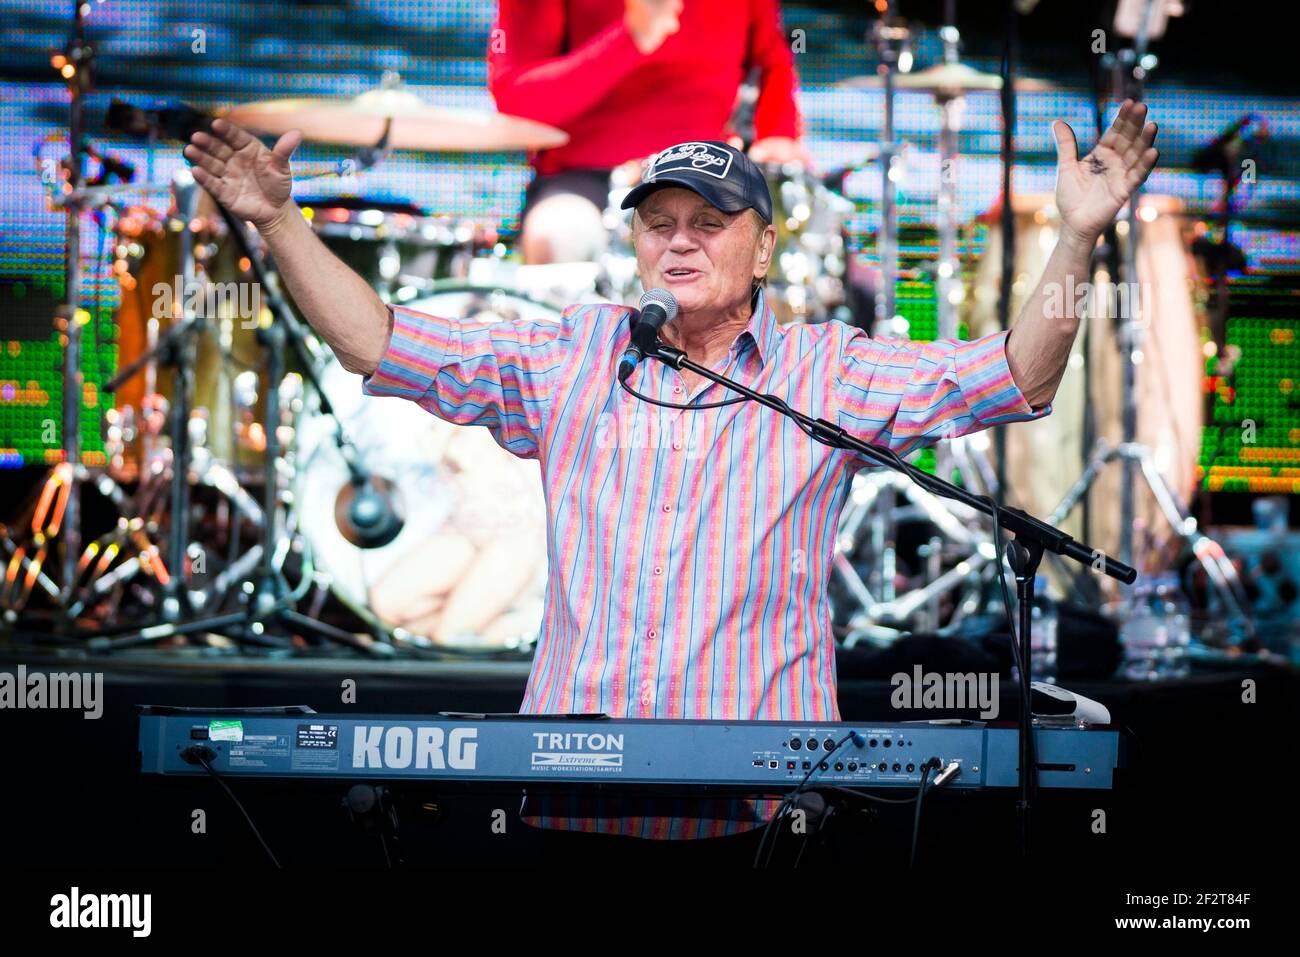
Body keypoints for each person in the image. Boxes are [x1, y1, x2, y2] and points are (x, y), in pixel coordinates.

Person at [182, 103, 1159, 856]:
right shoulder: (570, 357)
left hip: (767, 813)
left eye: (709, 220)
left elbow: (1015, 377)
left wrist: (1075, 240)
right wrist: (280, 223)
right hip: (571, 800)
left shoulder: (828, 372)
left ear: (766, 247)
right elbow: (379, 342)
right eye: (657, 223)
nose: (678, 240)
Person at [487, 0, 812, 264]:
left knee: (795, 243)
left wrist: (777, 134)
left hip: (707, 173)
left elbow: (773, 63)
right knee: (556, 237)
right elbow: (517, 102)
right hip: (585, 181)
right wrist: (631, 38)